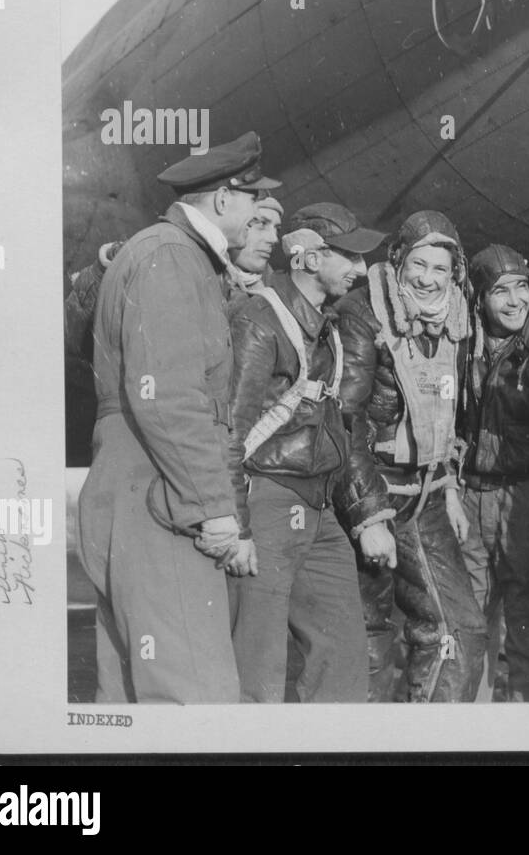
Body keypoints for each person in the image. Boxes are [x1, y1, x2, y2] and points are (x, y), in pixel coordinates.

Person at [76, 132, 279, 703]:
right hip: (157, 493)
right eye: (252, 200)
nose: (258, 214)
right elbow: (168, 398)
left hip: (132, 486)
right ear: (223, 200)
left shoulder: (163, 252)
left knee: (132, 700)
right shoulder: (171, 257)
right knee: (196, 700)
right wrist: (214, 507)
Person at [225, 203, 385, 703]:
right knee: (258, 668)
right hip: (268, 503)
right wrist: (237, 525)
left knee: (342, 658)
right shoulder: (259, 320)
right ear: (309, 259)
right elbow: (229, 429)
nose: (361, 270)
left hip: (319, 508)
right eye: (349, 257)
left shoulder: (329, 328)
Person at [335, 211, 487, 702]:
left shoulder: (459, 320)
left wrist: (449, 487)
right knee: (367, 636)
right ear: (397, 261)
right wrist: (368, 515)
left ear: (454, 272)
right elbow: (346, 419)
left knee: (458, 632)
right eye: (418, 264)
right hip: (367, 491)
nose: (427, 279)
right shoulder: (363, 312)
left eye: (440, 269)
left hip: (424, 494)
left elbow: (446, 415)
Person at [64, 194, 284, 465]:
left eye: (277, 227)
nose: (273, 238)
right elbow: (79, 340)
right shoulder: (172, 266)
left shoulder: (278, 301)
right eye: (260, 223)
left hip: (245, 462)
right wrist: (102, 272)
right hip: (171, 451)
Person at [460, 244, 529, 701]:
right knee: (467, 629)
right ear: (479, 299)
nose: (515, 300)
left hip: (526, 501)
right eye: (500, 291)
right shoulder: (459, 346)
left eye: (522, 287)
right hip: (467, 496)